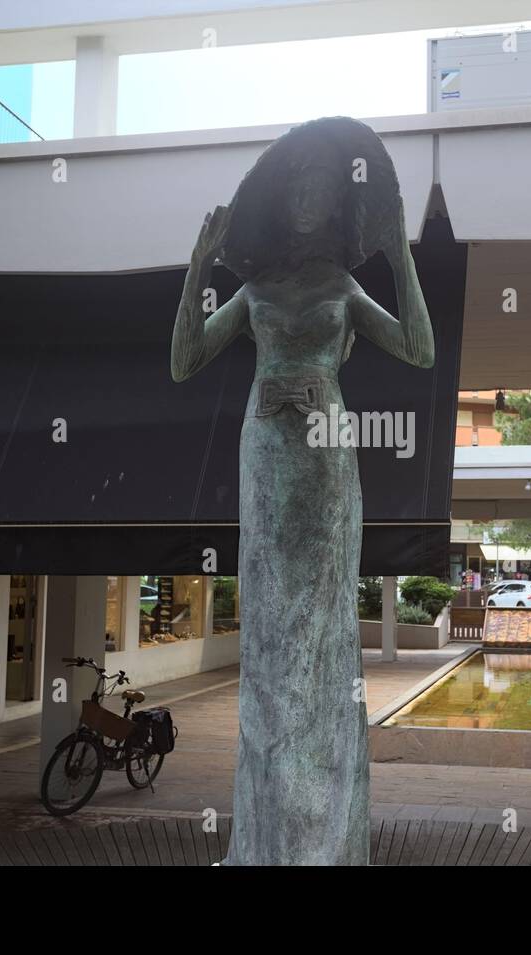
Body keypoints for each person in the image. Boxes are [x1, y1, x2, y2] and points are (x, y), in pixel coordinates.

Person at [171, 118, 433, 864]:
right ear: (283, 201)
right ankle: (266, 839)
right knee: (271, 643)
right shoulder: (254, 289)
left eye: (324, 186)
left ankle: (326, 840)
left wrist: (399, 253)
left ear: (338, 200)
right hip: (264, 454)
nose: (311, 198)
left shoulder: (343, 285)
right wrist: (195, 271)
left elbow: (420, 348)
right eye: (300, 186)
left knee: (320, 636)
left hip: (324, 461)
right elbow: (185, 361)